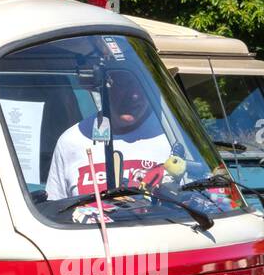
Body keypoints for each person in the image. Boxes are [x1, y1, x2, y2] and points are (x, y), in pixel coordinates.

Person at [45, 68, 176, 201]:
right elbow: (55, 208)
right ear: (104, 86)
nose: (134, 95)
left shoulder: (172, 139)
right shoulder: (72, 140)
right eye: (124, 83)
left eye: (143, 85)